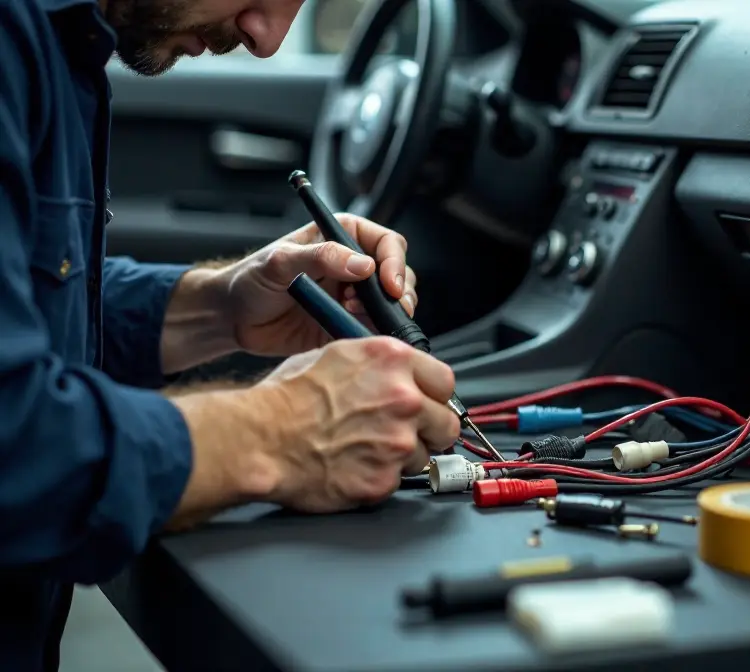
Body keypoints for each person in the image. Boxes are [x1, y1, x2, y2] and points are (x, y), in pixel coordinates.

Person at [0, 0, 463, 669]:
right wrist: (283, 430)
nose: (266, 38)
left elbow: (26, 299)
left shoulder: (57, 39)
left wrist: (219, 306)